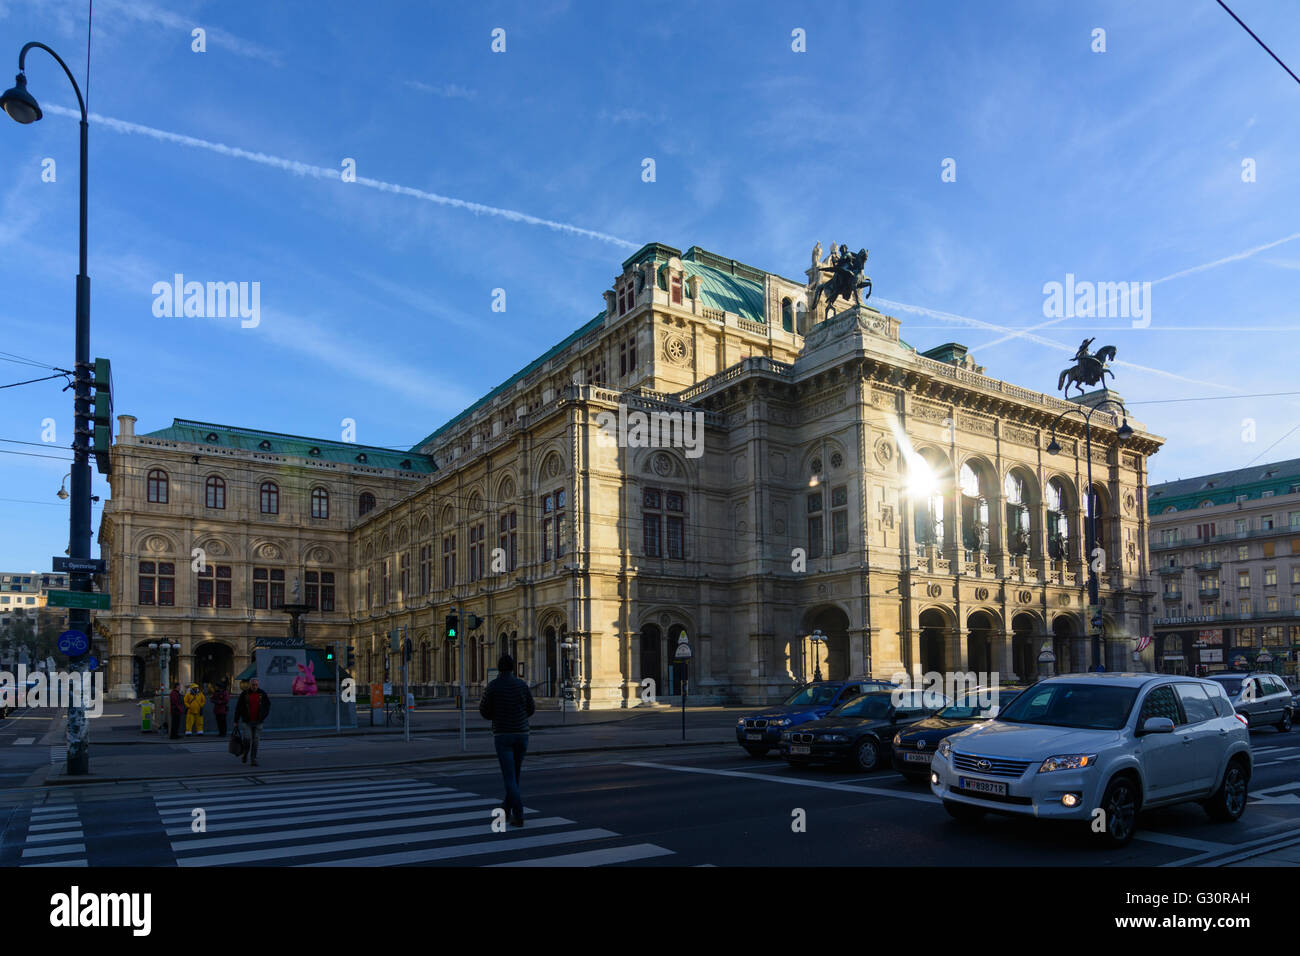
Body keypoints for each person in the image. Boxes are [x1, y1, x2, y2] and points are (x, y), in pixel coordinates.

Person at [479, 654, 535, 827]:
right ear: (512, 668)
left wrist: (498, 715)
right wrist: (519, 717)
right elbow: (531, 708)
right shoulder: (521, 684)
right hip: (522, 734)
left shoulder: (493, 686)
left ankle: (518, 815)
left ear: (499, 667)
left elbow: (485, 711)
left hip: (503, 735)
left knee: (510, 777)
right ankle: (506, 809)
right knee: (515, 776)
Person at [233, 677, 271, 766]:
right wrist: (236, 720)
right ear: (250, 685)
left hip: (258, 721)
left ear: (258, 685)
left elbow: (268, 705)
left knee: (256, 741)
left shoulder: (262, 693)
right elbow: (238, 708)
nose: (254, 686)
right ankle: (245, 754)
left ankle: (253, 758)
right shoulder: (244, 694)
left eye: (256, 685)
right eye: (253, 684)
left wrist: (263, 716)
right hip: (247, 721)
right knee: (247, 739)